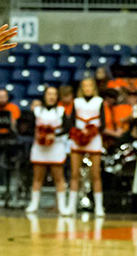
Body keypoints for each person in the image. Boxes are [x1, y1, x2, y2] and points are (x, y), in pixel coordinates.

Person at [26, 86, 72, 215]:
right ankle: (34, 204)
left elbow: (68, 128)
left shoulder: (61, 111)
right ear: (45, 96)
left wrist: (55, 136)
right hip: (40, 147)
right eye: (49, 94)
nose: (51, 97)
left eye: (54, 94)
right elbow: (28, 127)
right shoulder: (37, 110)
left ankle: (62, 206)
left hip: (56, 147)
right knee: (37, 177)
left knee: (59, 177)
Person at [70, 77, 106, 216]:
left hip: (94, 137)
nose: (87, 88)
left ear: (94, 87)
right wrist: (78, 132)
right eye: (84, 85)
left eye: (90, 85)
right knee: (74, 173)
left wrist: (91, 131)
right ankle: (71, 206)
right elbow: (72, 121)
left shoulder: (99, 101)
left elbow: (102, 122)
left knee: (95, 174)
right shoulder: (76, 101)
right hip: (78, 138)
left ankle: (98, 207)